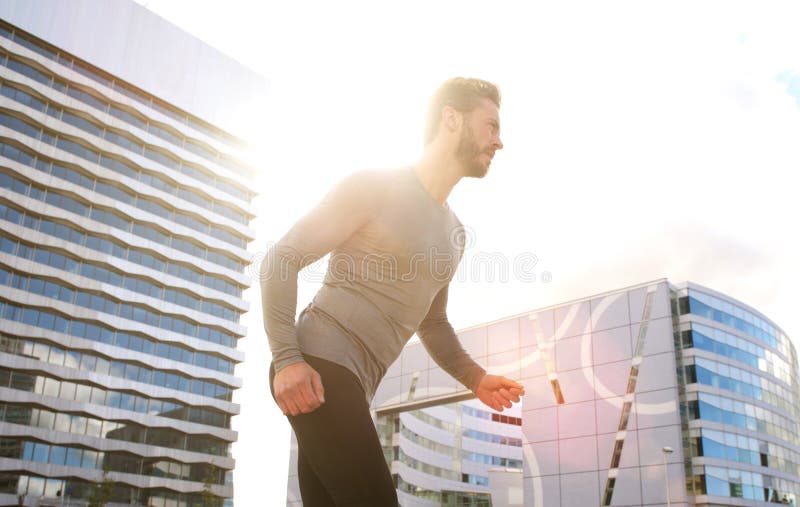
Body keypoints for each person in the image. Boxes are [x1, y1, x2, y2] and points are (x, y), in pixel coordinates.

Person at [261, 77, 524, 506]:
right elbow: (282, 259)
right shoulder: (376, 186)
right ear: (451, 119)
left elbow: (433, 322)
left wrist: (476, 378)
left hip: (349, 388)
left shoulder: (455, 235)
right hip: (318, 364)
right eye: (490, 126)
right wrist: (287, 360)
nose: (499, 142)